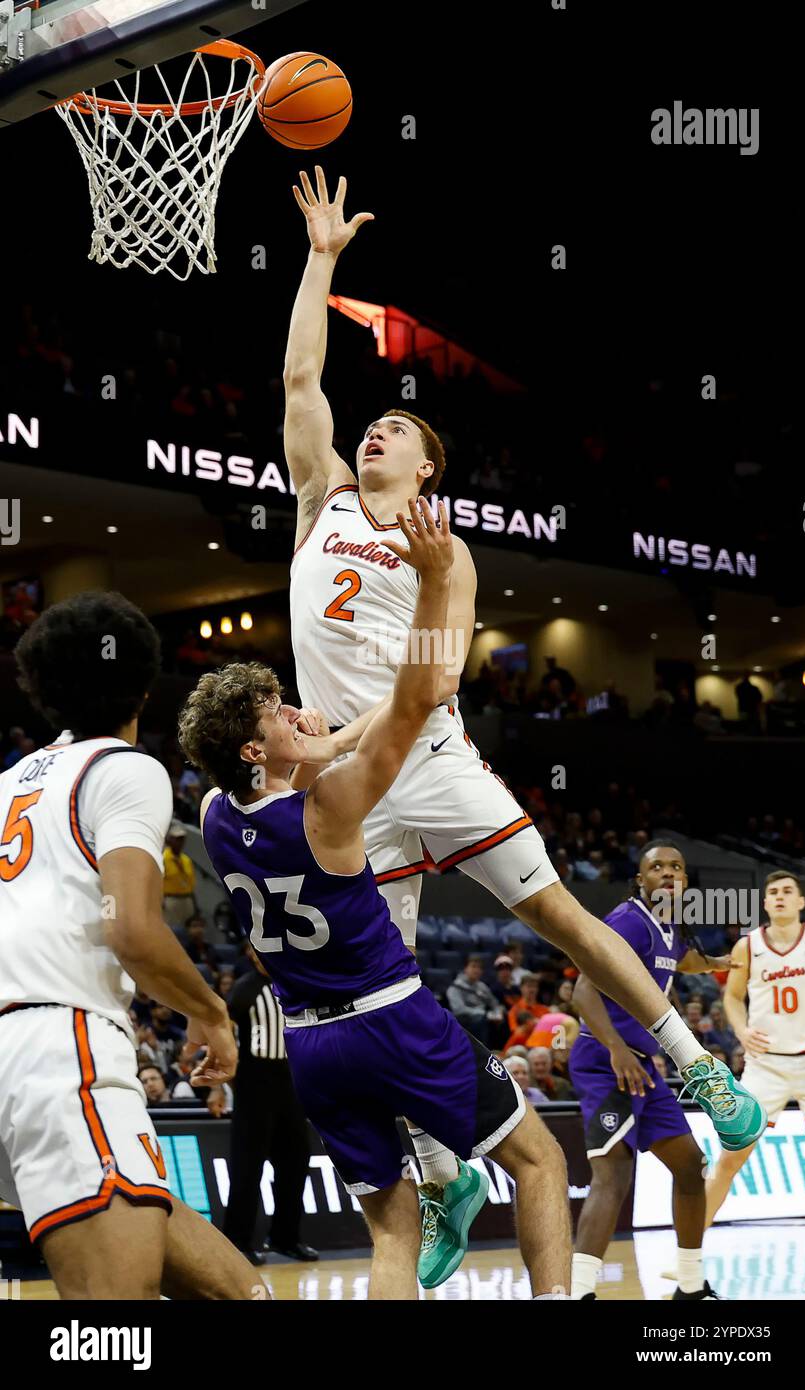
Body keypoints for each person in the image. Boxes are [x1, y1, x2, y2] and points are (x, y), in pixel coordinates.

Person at [281, 164, 771, 1278]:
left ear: (429, 465)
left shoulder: (444, 550)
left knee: (554, 915)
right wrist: (318, 262)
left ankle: (699, 1067)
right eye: (371, 425)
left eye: (397, 429)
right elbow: (301, 375)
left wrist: (346, 741)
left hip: (419, 758)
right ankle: (446, 1179)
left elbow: (436, 679)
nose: (374, 435)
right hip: (347, 789)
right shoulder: (317, 502)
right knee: (372, 1000)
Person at [183, 498, 573, 1300]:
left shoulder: (213, 815)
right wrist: (433, 581)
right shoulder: (330, 808)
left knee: (393, 1228)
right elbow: (417, 693)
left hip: (311, 1053)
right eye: (280, 715)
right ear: (256, 749)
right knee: (540, 1161)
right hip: (392, 1022)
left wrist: (301, 750)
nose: (298, 711)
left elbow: (256, 777)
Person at [0, 591, 264, 1300]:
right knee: (113, 1327)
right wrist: (211, 1013)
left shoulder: (3, 788)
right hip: (61, 1044)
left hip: (16, 1055)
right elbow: (132, 931)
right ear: (145, 688)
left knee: (241, 1294)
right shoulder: (124, 768)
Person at [568, 843, 766, 1302]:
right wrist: (616, 1048)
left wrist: (716, 963)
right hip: (605, 1060)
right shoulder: (628, 921)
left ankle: (691, 1287)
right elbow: (583, 991)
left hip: (642, 1067)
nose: (668, 873)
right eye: (656, 866)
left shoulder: (670, 926)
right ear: (641, 879)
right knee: (614, 1175)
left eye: (676, 866)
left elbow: (678, 961)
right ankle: (577, 1293)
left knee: (691, 1168)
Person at [702, 872, 805, 1228]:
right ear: (765, 903)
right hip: (765, 1066)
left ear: (801, 901)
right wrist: (741, 1029)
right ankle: (687, 1256)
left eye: (788, 891)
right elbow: (733, 997)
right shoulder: (748, 946)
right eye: (773, 892)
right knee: (729, 1161)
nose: (780, 897)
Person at [221, 946, 317, 1267]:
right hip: (253, 1086)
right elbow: (224, 1038)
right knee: (247, 1168)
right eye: (255, 951)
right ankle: (238, 1241)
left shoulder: (294, 983)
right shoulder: (242, 990)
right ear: (250, 953)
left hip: (291, 1084)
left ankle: (286, 1238)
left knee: (296, 1162)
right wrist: (222, 1087)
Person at [446, 955, 506, 1047]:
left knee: (503, 1018)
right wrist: (483, 1013)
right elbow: (459, 1009)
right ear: (465, 969)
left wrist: (497, 1013)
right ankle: (483, 1050)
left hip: (484, 1017)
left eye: (479, 968)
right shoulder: (455, 987)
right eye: (473, 966)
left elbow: (494, 1003)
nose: (476, 970)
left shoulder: (482, 986)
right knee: (479, 1019)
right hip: (465, 1020)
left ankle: (499, 1051)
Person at [162, 821, 198, 929]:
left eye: (182, 839)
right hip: (171, 900)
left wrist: (194, 905)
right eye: (177, 839)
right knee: (172, 931)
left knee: (188, 931)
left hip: (186, 899)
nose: (180, 842)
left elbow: (191, 884)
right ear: (170, 840)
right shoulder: (163, 859)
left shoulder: (186, 860)